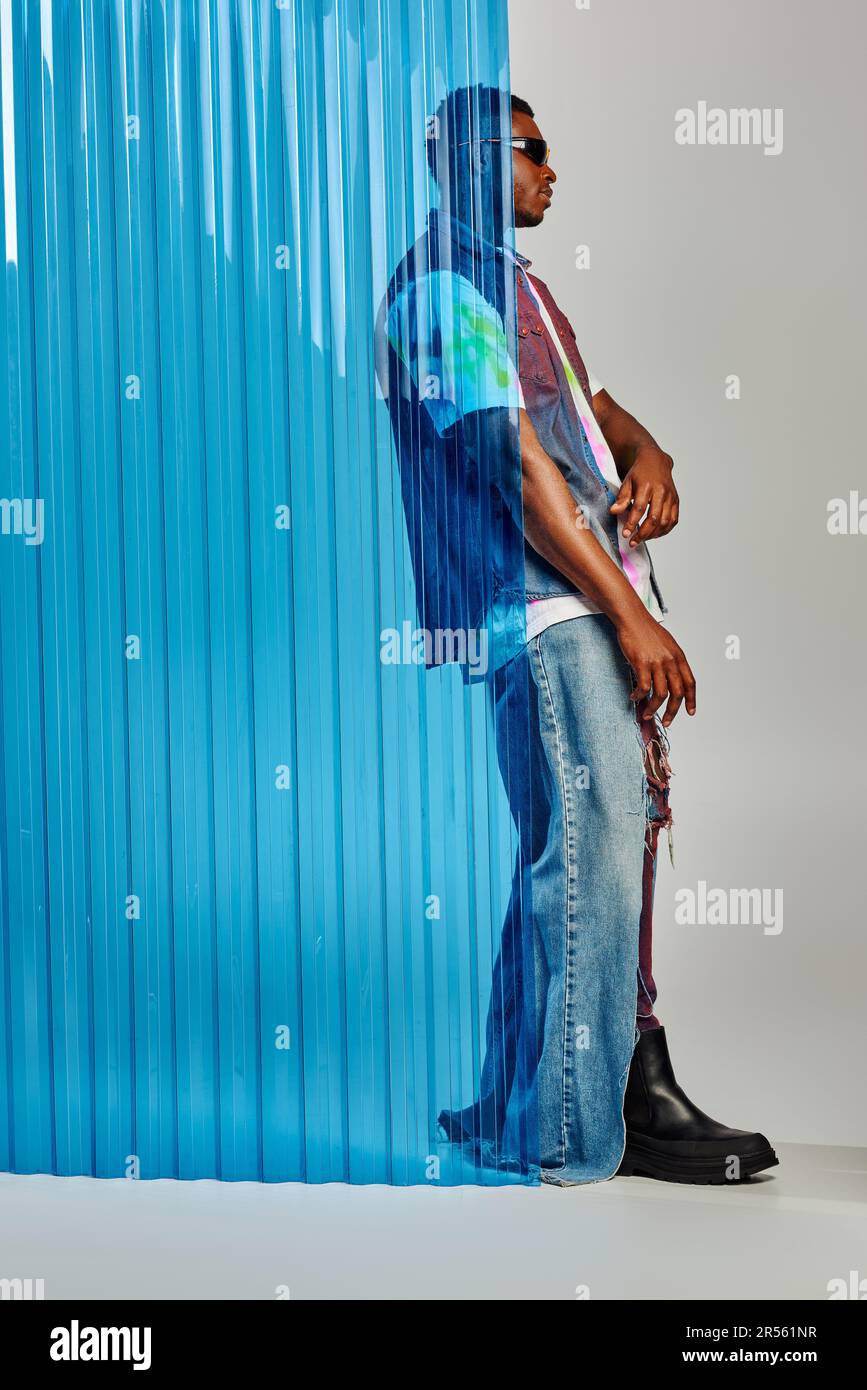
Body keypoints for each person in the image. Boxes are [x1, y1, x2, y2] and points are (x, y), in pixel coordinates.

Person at [376, 85, 777, 1185]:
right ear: (467, 159)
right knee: (592, 862)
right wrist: (633, 613)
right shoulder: (442, 297)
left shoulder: (518, 289)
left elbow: (591, 412)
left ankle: (525, 1102)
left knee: (574, 854)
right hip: (548, 610)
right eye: (533, 150)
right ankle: (566, 1127)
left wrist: (653, 458)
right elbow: (520, 473)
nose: (554, 170)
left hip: (581, 599)